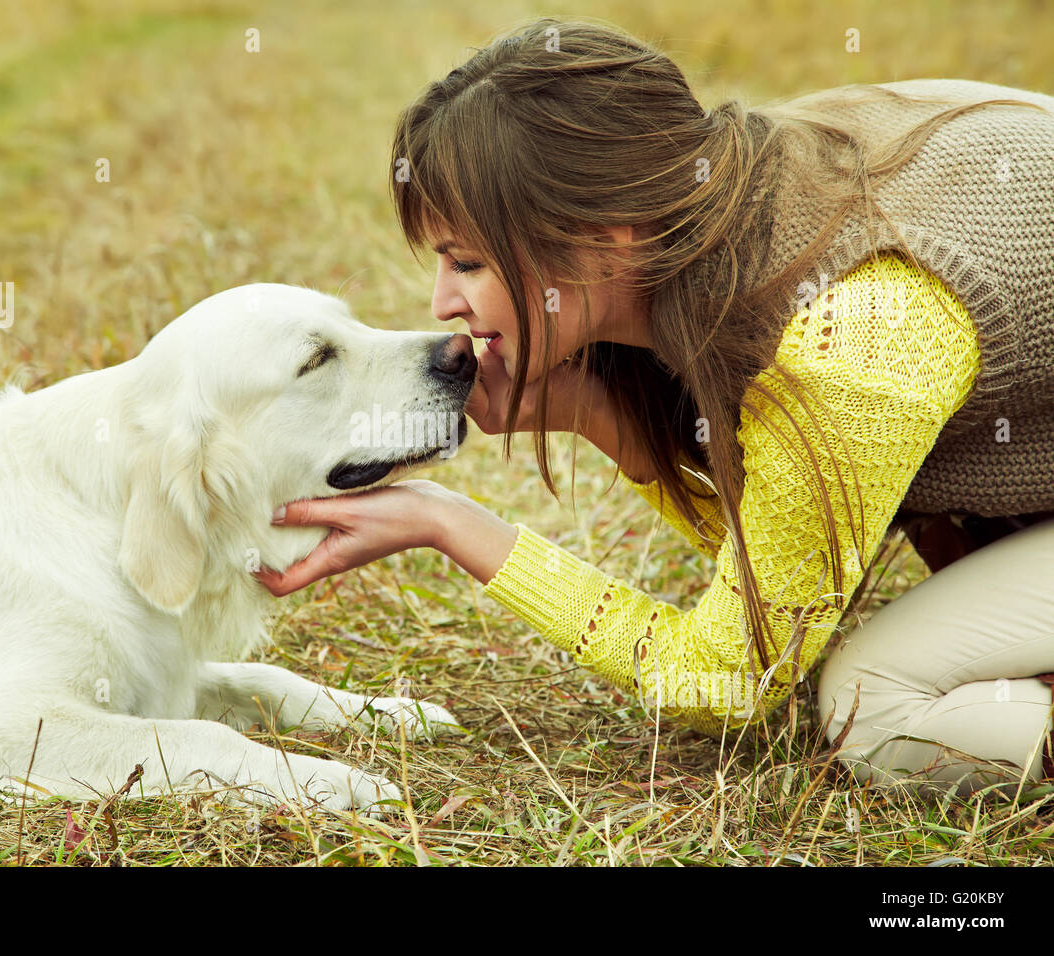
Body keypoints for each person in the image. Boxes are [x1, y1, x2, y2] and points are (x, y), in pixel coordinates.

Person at [254, 16, 1054, 799]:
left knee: (871, 706)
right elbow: (784, 553)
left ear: (608, 238)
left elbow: (733, 677)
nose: (440, 304)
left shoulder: (852, 343)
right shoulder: (740, 202)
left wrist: (451, 524)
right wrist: (595, 413)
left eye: (466, 261)